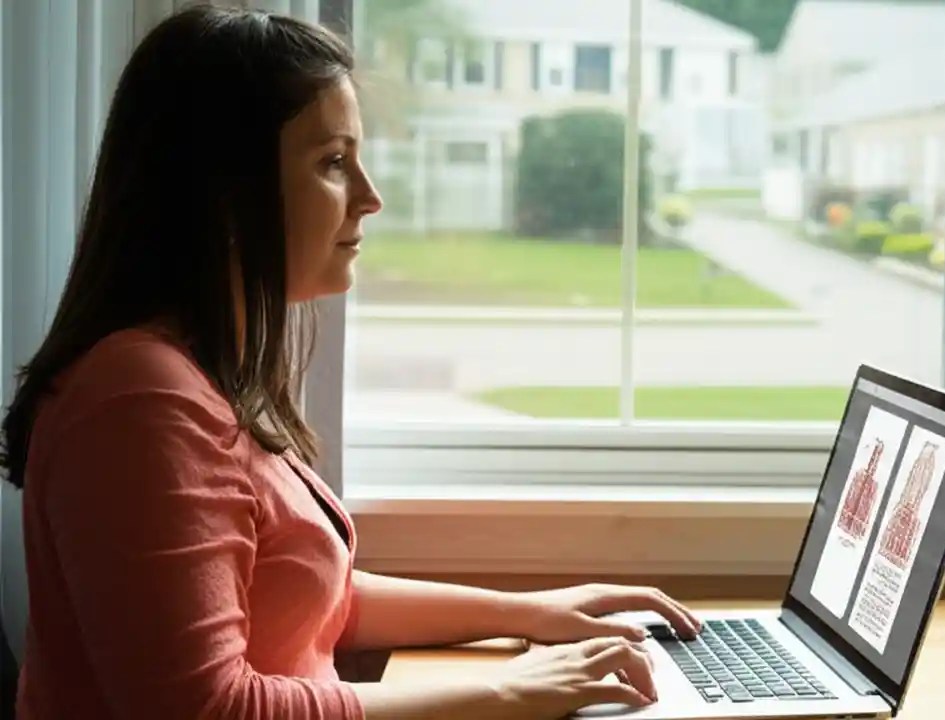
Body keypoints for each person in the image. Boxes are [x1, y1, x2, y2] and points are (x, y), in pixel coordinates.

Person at [0, 5, 701, 719]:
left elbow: (315, 599)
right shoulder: (140, 402)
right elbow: (204, 709)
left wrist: (530, 613)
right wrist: (510, 690)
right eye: (333, 162)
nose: (370, 197)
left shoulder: (199, 377)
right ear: (223, 190)